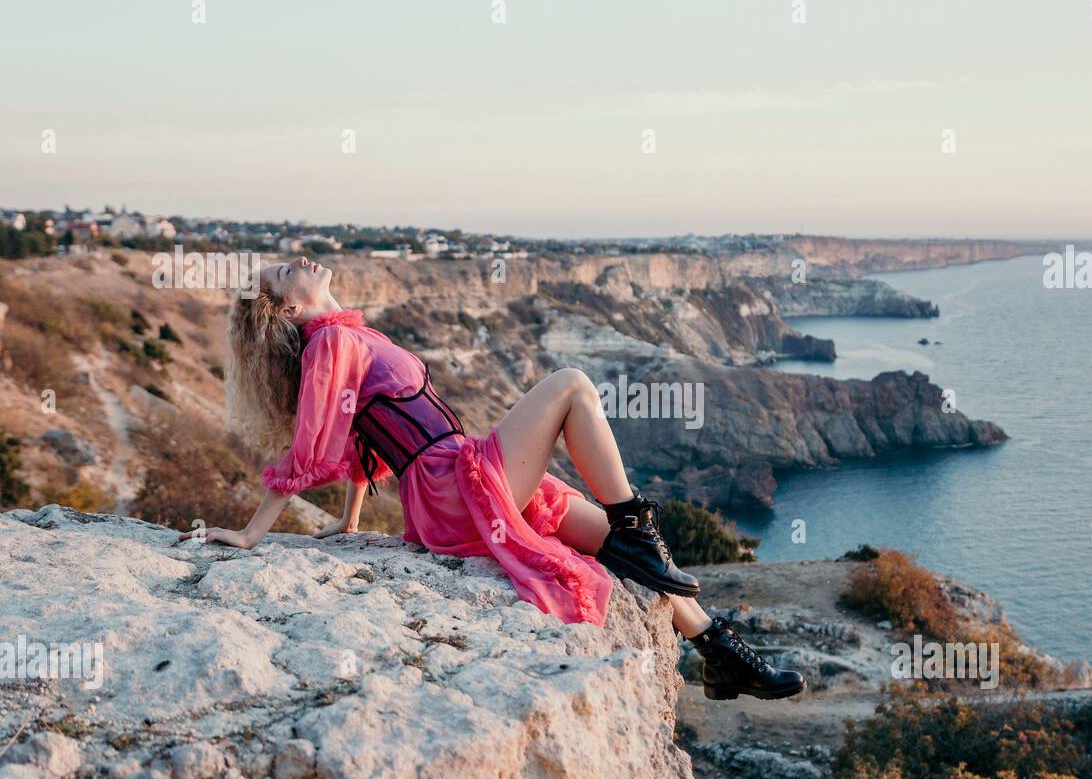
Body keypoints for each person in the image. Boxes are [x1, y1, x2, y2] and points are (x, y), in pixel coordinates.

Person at [179, 257, 804, 701]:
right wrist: (252, 534)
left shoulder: (350, 336)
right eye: (286, 271)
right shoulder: (328, 345)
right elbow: (310, 452)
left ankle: (723, 655)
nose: (301, 261)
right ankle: (640, 528)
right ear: (290, 306)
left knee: (618, 547)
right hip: (453, 486)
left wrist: (350, 523)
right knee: (572, 386)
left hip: (462, 472)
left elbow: (362, 442)